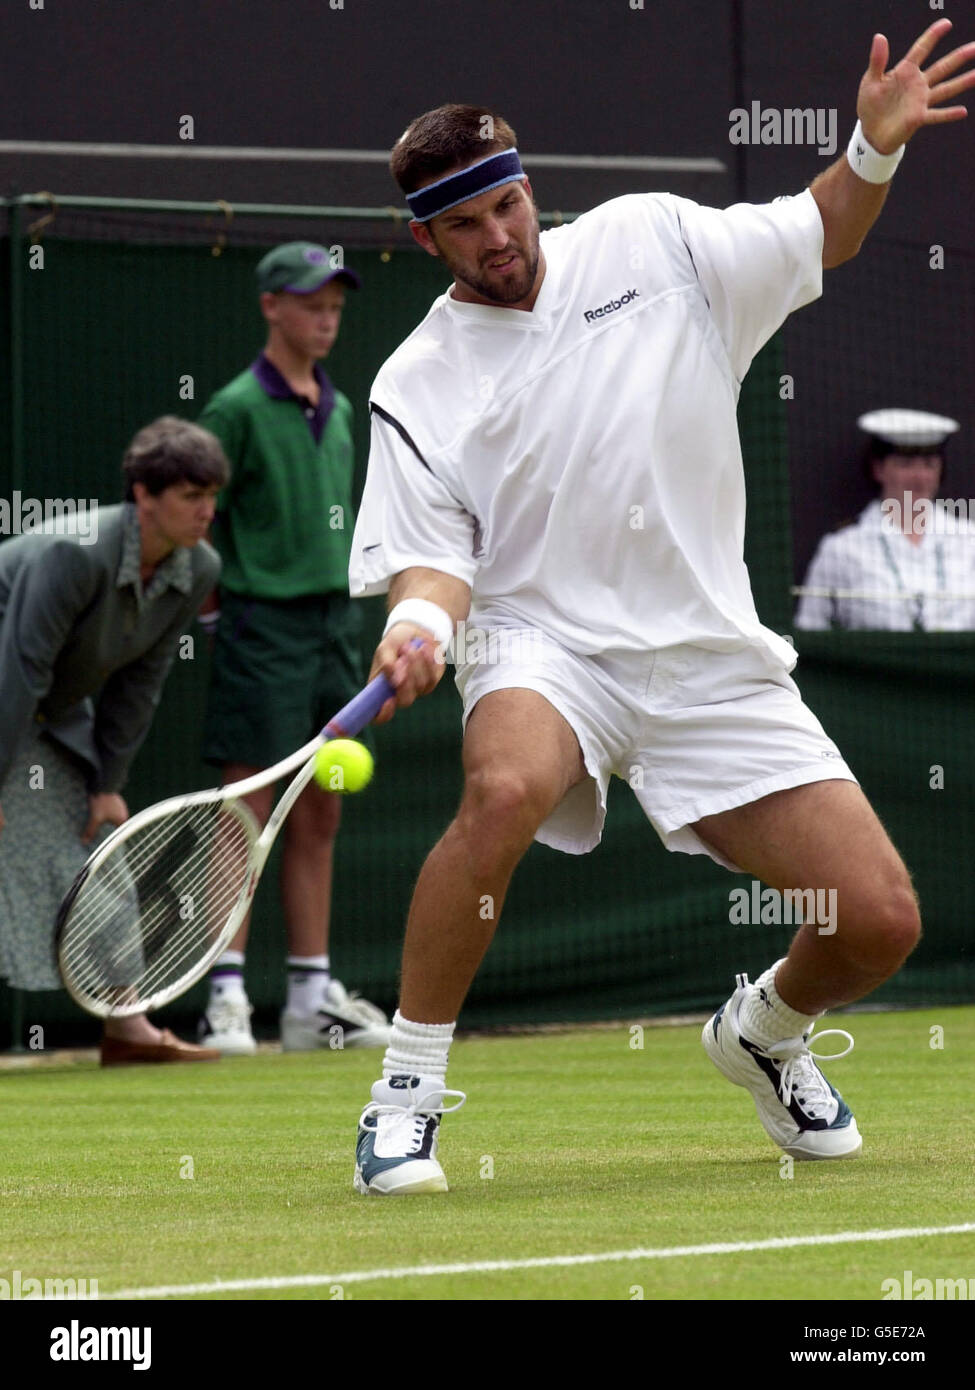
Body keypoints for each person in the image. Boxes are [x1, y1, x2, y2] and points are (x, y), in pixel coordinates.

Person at [346, 18, 975, 1194]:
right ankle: (408, 1089)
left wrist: (874, 148)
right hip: (541, 644)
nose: (500, 239)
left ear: (531, 191)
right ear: (426, 238)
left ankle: (763, 1033)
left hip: (706, 653)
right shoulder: (416, 382)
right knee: (504, 786)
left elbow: (822, 228)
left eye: (510, 206)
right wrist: (420, 626)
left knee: (881, 920)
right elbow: (433, 564)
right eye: (467, 225)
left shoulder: (655, 240)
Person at [196, 241, 390, 1056]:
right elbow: (200, 528)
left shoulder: (341, 411)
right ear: (271, 306)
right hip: (259, 628)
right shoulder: (233, 409)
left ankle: (310, 1000)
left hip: (333, 632)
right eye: (312, 304)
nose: (326, 318)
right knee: (241, 813)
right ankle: (226, 998)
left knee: (321, 811)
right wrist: (224, 613)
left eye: (336, 307)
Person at [0, 416, 227, 1065]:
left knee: (101, 843)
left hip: (44, 708)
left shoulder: (197, 565)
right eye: (190, 496)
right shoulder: (77, 553)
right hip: (12, 689)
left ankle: (127, 1029)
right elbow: (20, 667)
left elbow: (140, 683)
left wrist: (106, 785)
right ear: (144, 496)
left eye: (211, 495)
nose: (205, 511)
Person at [796, 408, 972, 630]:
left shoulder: (969, 540)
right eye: (905, 464)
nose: (919, 477)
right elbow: (811, 628)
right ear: (879, 469)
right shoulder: (842, 548)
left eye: (929, 464)